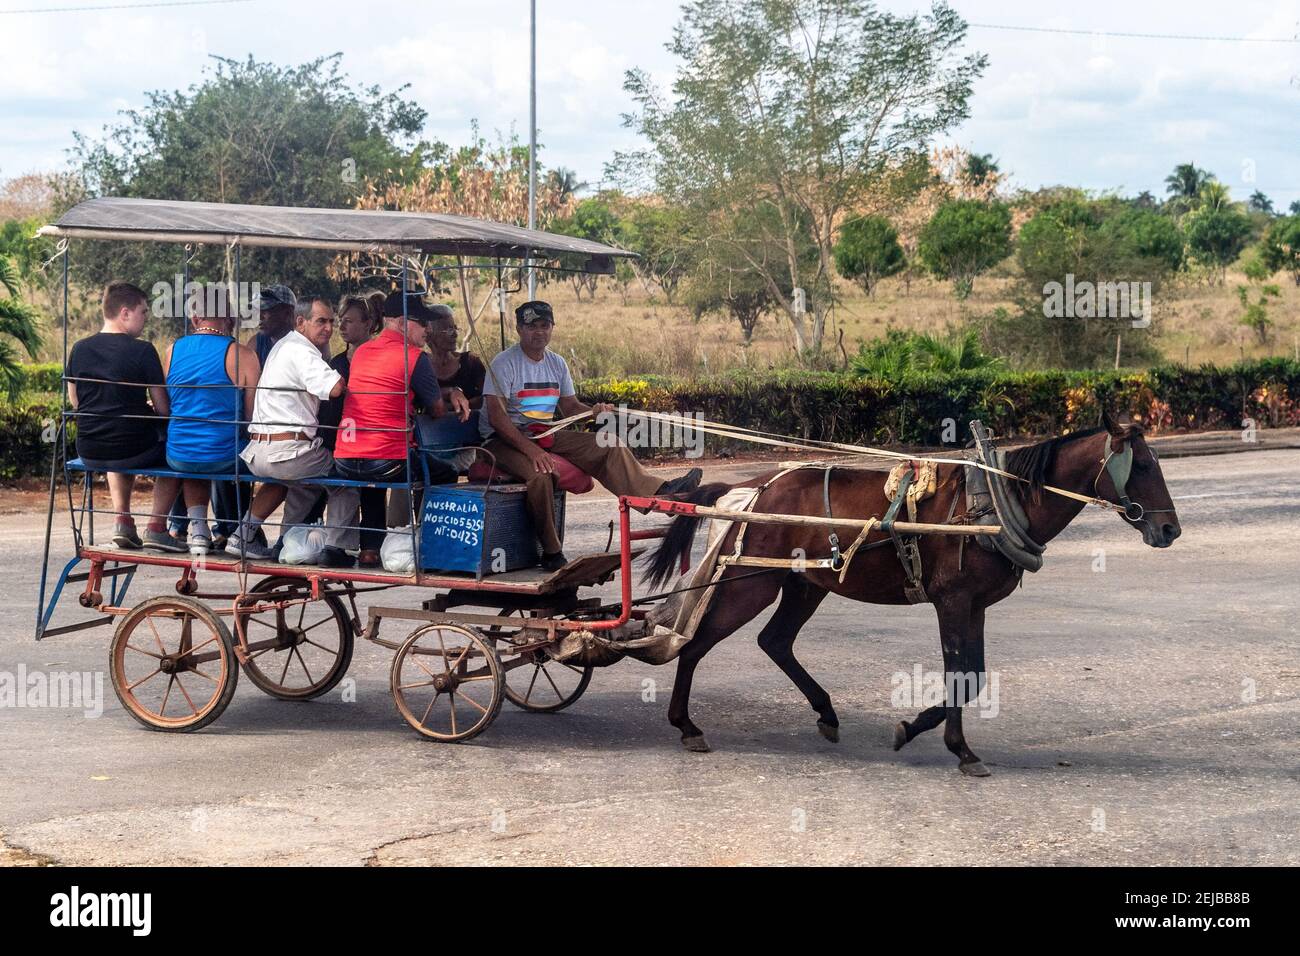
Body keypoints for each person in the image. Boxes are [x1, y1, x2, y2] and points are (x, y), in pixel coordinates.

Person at [481, 300, 700, 571]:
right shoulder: (504, 363)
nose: (539, 332)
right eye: (531, 326)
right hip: (503, 440)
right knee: (540, 474)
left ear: (552, 328)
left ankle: (661, 493)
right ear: (518, 329)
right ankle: (551, 552)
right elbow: (497, 417)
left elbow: (570, 407)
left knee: (607, 444)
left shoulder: (557, 363)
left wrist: (594, 412)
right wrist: (532, 451)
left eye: (544, 325)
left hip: (546, 433)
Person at [333, 291, 464, 568]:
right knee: (444, 472)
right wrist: (452, 392)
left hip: (345, 458)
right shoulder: (415, 357)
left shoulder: (362, 351)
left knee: (372, 468)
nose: (427, 329)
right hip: (388, 460)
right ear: (404, 323)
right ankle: (427, 540)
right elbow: (437, 409)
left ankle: (370, 549)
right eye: (422, 322)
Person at [232, 296, 358, 563]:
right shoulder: (303, 351)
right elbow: (335, 389)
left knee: (304, 482)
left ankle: (256, 538)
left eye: (332, 322)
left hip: (259, 453)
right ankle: (337, 548)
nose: (328, 328)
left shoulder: (283, 345)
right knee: (345, 476)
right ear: (301, 322)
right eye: (321, 321)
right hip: (287, 453)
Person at [66, 282, 182, 551]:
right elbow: (163, 408)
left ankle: (123, 521)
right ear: (125, 312)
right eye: (143, 312)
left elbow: (75, 401)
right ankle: (156, 526)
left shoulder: (79, 348)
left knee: (118, 439)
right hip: (133, 448)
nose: (145, 319)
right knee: (181, 452)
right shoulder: (142, 350)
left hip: (89, 448)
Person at [163, 300, 260, 555]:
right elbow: (251, 417)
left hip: (178, 456)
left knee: (195, 455)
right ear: (230, 320)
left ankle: (197, 530)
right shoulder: (243, 355)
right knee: (265, 463)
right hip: (224, 456)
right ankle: (243, 533)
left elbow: (169, 401)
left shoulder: (172, 350)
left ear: (195, 320)